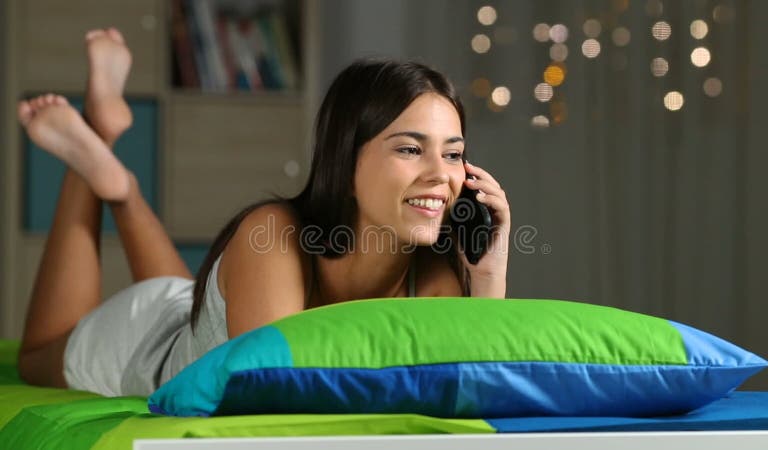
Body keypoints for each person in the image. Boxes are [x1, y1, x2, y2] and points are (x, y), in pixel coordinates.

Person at [16, 29, 511, 397]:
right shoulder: (273, 234)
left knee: (193, 313)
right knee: (37, 357)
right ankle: (97, 151)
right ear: (347, 159)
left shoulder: (437, 271)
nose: (440, 176)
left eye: (452, 154)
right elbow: (273, 390)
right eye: (409, 150)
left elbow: (476, 389)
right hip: (142, 345)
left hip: (196, 315)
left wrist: (487, 276)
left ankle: (118, 182)